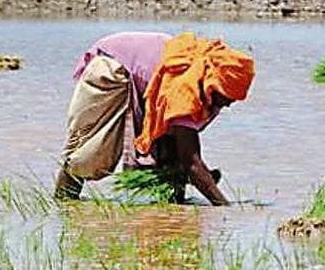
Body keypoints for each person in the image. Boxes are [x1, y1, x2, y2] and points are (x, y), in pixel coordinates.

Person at [54, 31, 255, 205]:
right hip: (113, 65)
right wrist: (224, 207)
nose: (228, 105)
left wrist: (201, 177)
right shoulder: (185, 92)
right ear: (214, 86)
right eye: (226, 98)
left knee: (169, 154)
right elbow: (192, 163)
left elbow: (181, 148)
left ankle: (170, 212)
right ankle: (64, 204)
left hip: (143, 71)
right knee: (90, 152)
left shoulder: (205, 83)